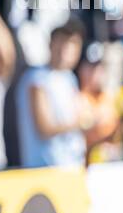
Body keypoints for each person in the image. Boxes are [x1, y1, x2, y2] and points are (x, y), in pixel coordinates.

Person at [17, 18, 87, 169]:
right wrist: (82, 124)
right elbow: (44, 128)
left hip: (73, 166)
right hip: (46, 170)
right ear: (50, 44)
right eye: (62, 43)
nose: (65, 50)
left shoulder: (70, 78)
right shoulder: (36, 78)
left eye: (72, 45)